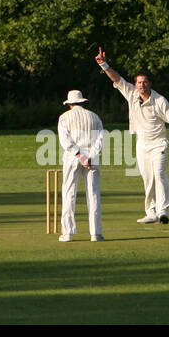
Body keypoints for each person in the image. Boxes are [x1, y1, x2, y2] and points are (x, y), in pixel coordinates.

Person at [95, 47, 169, 223]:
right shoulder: (131, 93)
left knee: (159, 174)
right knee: (148, 177)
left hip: (159, 143)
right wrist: (104, 64)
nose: (141, 85)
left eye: (144, 82)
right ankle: (151, 212)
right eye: (138, 82)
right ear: (135, 84)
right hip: (142, 144)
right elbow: (117, 79)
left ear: (149, 84)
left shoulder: (160, 100)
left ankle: (163, 210)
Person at [57, 89, 104, 242]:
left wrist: (79, 155)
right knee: (93, 194)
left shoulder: (64, 117)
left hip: (72, 158)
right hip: (92, 159)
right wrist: (90, 156)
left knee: (69, 193)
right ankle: (95, 233)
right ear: (83, 102)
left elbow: (65, 140)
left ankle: (68, 233)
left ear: (69, 104)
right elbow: (100, 140)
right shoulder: (95, 117)